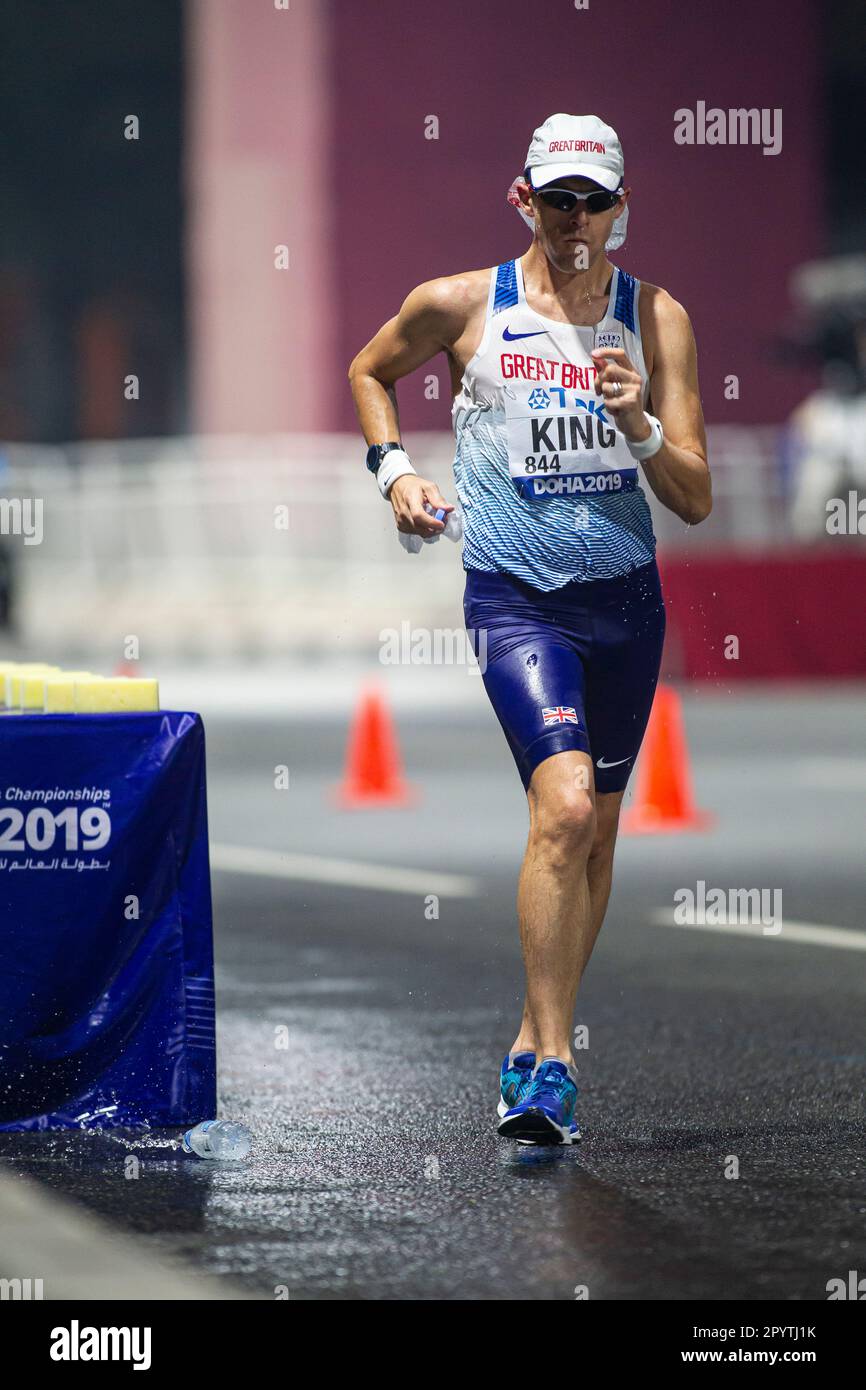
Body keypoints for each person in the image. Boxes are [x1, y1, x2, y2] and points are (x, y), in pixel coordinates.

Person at [349, 113, 711, 1144]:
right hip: (514, 599)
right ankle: (549, 1071)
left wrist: (638, 423)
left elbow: (694, 499)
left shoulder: (657, 319)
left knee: (593, 830)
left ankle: (530, 1026)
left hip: (624, 605)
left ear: (620, 205)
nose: (575, 217)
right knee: (558, 811)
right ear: (523, 199)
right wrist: (397, 473)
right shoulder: (461, 305)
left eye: (593, 198)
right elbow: (369, 371)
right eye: (557, 197)